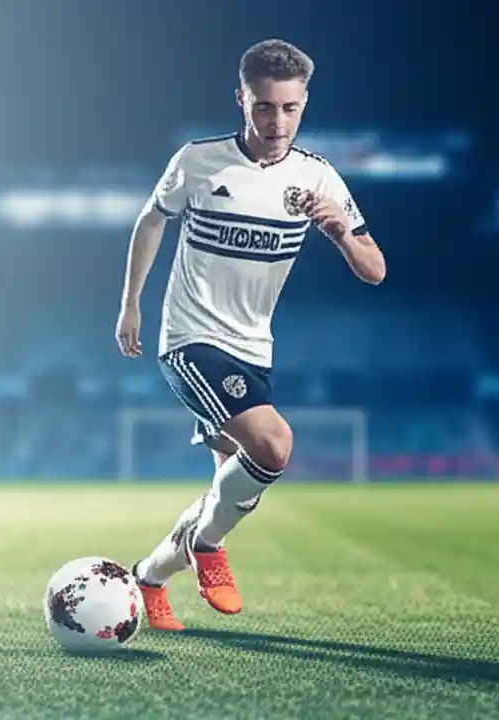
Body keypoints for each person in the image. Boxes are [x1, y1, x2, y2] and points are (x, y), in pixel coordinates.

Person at [114, 39, 386, 630]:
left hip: (254, 348)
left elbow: (375, 269)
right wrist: (131, 303)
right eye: (264, 107)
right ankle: (207, 549)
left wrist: (340, 232)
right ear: (242, 99)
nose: (276, 121)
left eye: (289, 108)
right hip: (189, 339)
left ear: (304, 103)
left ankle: (150, 576)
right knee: (274, 446)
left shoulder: (319, 178)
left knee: (228, 492)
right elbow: (152, 217)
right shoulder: (198, 161)